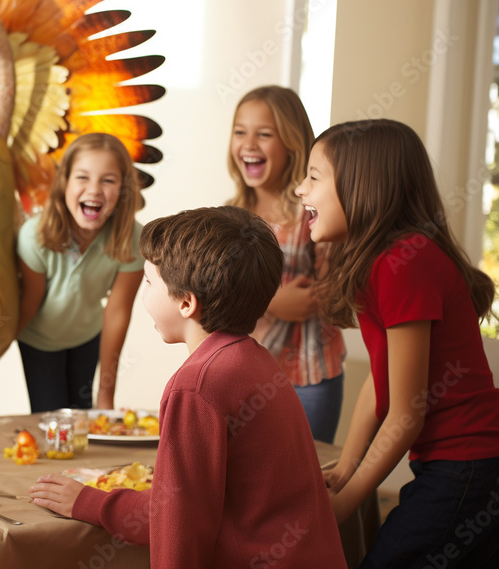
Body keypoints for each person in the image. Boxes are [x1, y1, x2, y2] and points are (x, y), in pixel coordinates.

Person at [30, 206, 347, 568]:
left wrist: (89, 502)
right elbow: (183, 505)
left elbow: (179, 530)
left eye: (149, 282)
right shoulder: (254, 361)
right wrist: (93, 502)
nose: (142, 294)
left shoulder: (197, 385)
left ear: (186, 302)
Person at [296, 119, 499, 568]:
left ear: (362, 185)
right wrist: (346, 469)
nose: (300, 189)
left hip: (468, 464)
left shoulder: (402, 263)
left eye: (313, 176)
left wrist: (346, 505)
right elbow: (381, 382)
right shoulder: (383, 261)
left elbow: (407, 412)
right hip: (460, 464)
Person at [228, 85, 345, 442]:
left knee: (303, 478)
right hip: (245, 376)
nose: (249, 144)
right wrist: (274, 301)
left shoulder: (312, 211)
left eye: (264, 134)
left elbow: (332, 292)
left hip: (308, 376)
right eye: (240, 132)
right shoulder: (229, 216)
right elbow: (217, 294)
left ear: (293, 142)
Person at [16, 132, 144, 412]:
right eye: (82, 177)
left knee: (82, 419)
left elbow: (117, 311)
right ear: (64, 184)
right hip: (39, 341)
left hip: (87, 336)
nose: (94, 190)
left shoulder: (133, 239)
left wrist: (106, 396)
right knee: (52, 420)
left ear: (123, 188)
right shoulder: (33, 237)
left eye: (108, 180)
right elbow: (29, 304)